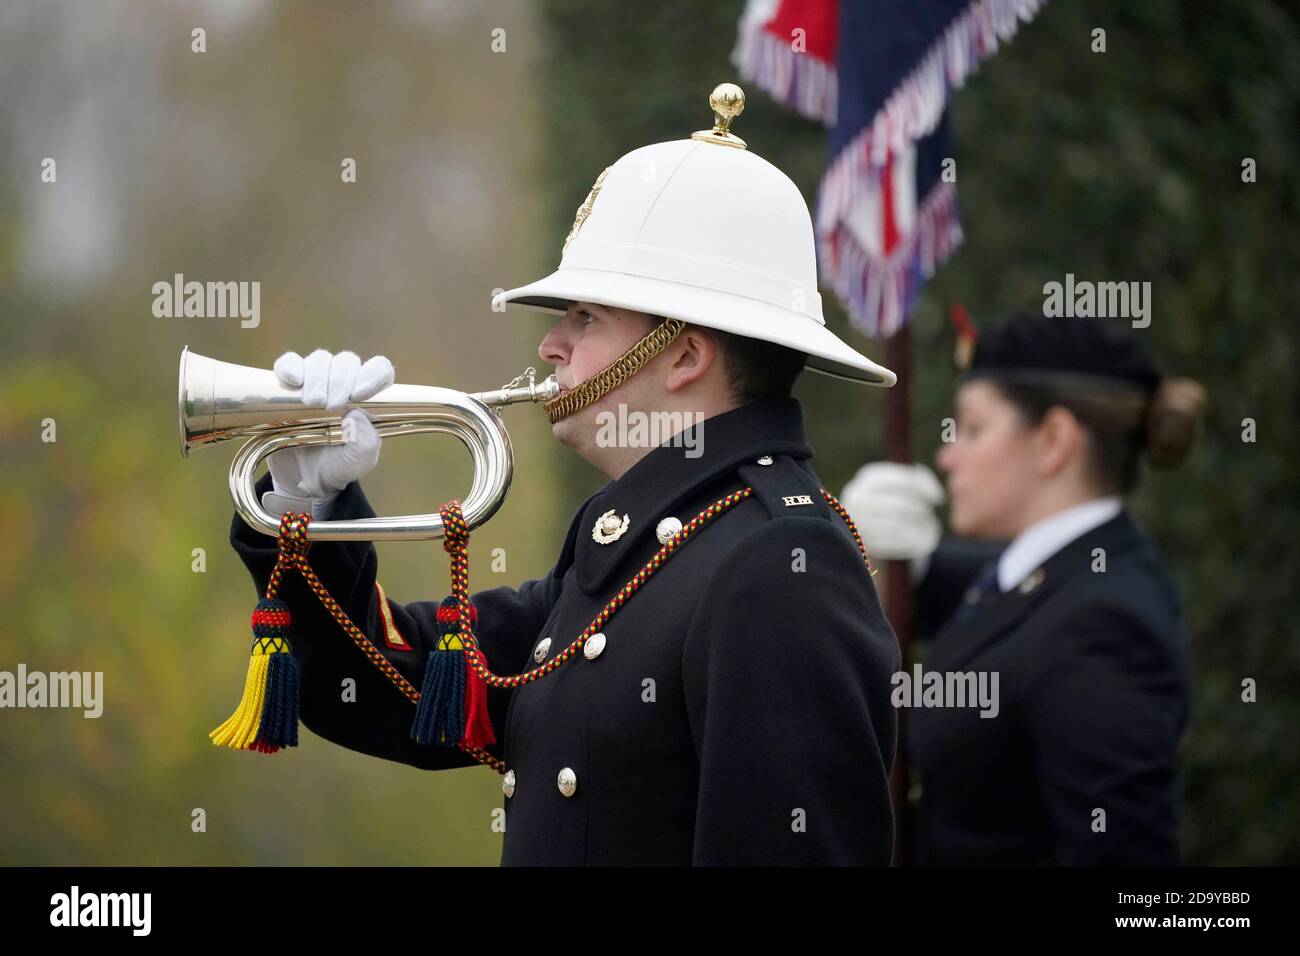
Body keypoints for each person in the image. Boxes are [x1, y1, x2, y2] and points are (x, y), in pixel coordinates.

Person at [227, 84, 903, 865]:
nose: (552, 346)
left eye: (586, 318)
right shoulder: (639, 542)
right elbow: (396, 687)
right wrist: (310, 503)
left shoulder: (779, 564)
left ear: (685, 354)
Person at [841, 311, 1206, 865]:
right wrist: (874, 553)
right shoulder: (1063, 572)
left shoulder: (1104, 627)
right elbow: (996, 603)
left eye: (974, 428)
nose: (948, 455)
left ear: (1054, 440)